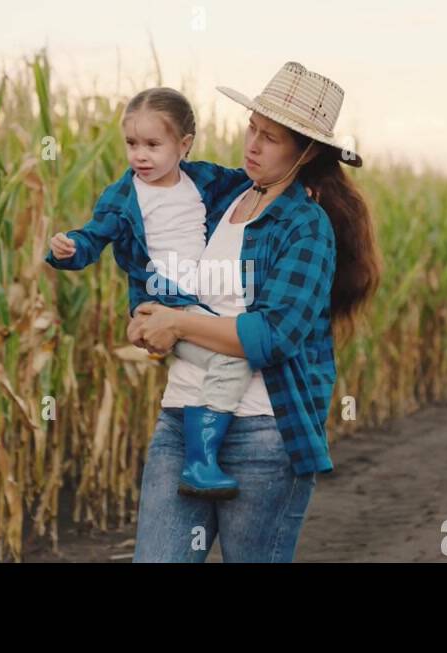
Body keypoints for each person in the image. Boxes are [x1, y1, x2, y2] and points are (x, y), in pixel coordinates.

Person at [128, 61, 383, 562]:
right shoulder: (223, 196)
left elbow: (271, 336)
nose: (253, 145)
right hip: (181, 421)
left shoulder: (306, 228)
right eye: (252, 128)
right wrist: (149, 314)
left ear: (306, 151)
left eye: (271, 138)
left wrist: (179, 325)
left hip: (261, 434)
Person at [45, 87, 254, 500]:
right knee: (232, 359)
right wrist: (68, 249)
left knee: (231, 345)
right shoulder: (125, 197)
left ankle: (204, 455)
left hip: (199, 302)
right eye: (132, 144)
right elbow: (93, 236)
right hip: (162, 302)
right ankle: (201, 462)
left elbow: (252, 182)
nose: (140, 155)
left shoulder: (202, 179)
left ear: (184, 145)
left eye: (153, 145)